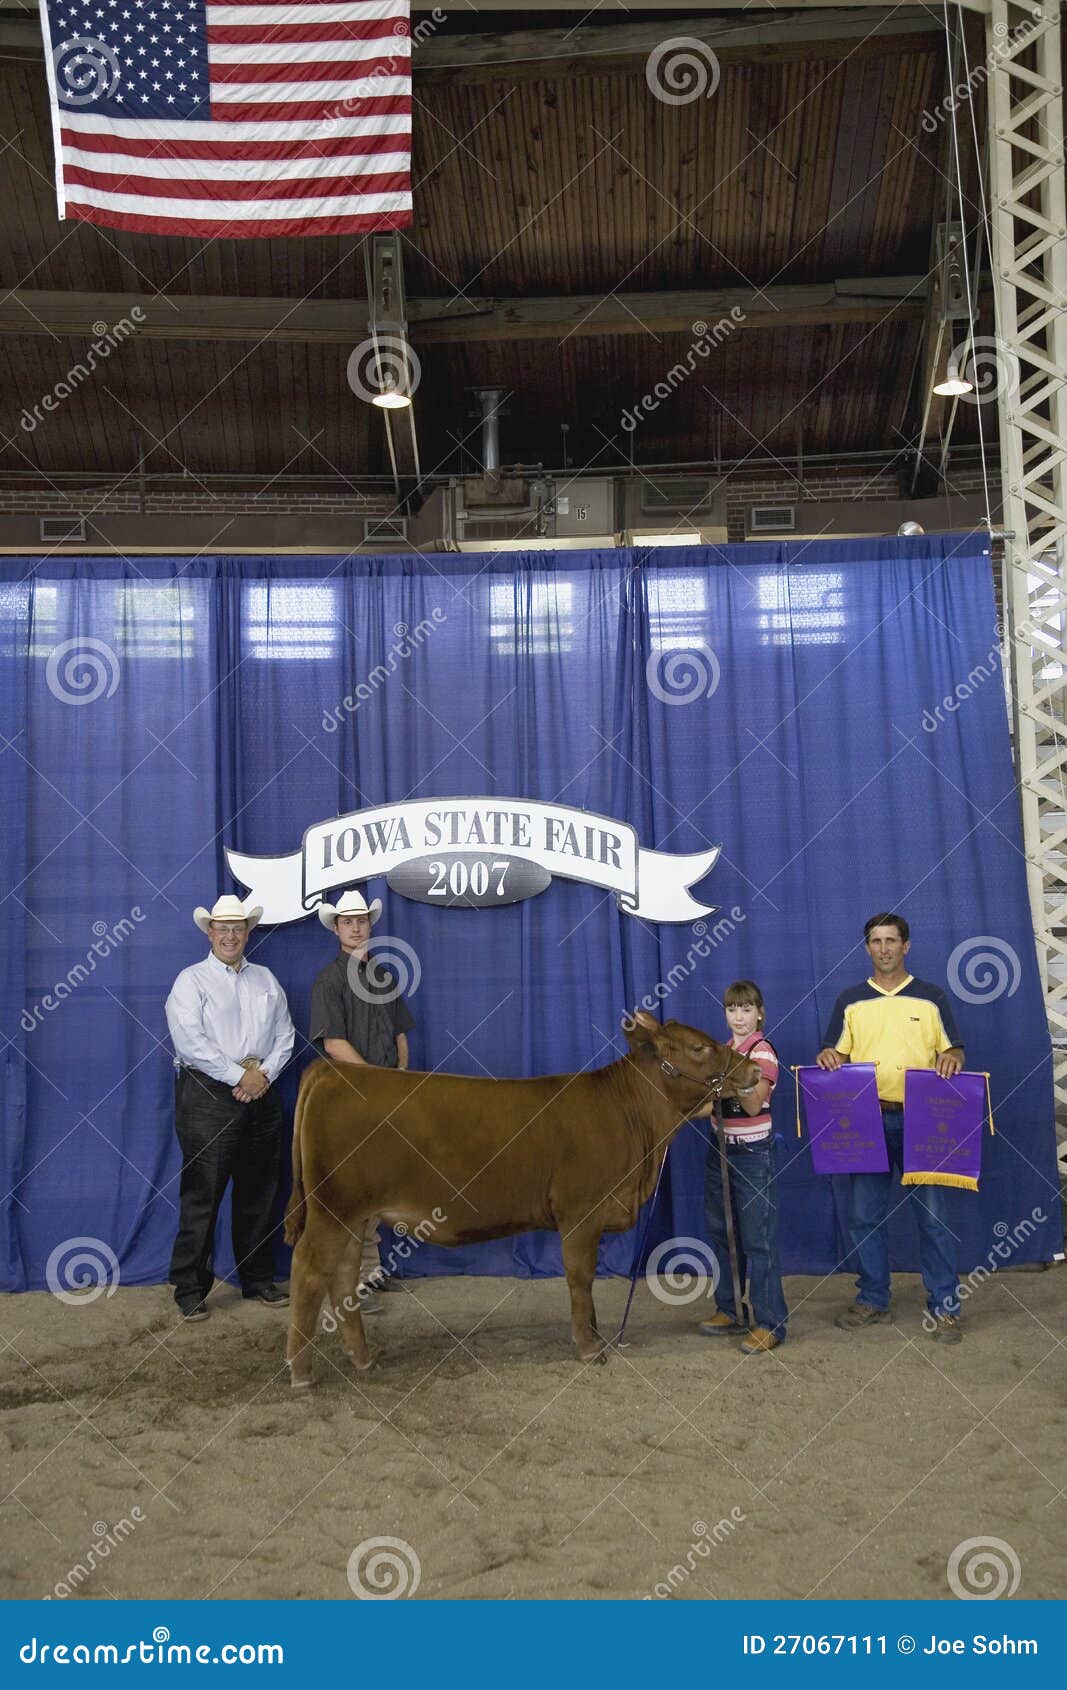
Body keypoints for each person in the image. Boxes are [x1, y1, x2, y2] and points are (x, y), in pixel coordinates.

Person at [817, 911, 965, 1343]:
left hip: (923, 1119)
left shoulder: (931, 997)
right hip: (867, 1120)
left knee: (934, 1218)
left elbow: (953, 1048)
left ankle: (944, 1307)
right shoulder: (850, 1000)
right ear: (866, 948)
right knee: (864, 1217)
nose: (884, 948)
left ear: (906, 946)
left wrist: (953, 1057)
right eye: (876, 941)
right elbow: (836, 1054)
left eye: (892, 940)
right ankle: (873, 1298)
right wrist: (831, 1059)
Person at [165, 894, 295, 1322]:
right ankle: (189, 1286)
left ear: (248, 932)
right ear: (210, 933)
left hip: (262, 1091)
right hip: (208, 1096)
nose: (230, 935)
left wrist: (264, 1076)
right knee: (203, 1194)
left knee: (260, 1191)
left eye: (238, 928)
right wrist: (239, 1077)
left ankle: (256, 1278)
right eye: (223, 929)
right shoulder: (191, 981)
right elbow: (190, 1042)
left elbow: (286, 1035)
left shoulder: (266, 979)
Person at [310, 889, 415, 1302]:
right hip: (353, 1100)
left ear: (370, 925)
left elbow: (400, 1033)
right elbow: (334, 1044)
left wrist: (401, 1076)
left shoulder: (385, 976)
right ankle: (351, 1279)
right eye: (347, 921)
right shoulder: (328, 981)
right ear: (336, 928)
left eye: (361, 920)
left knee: (379, 1187)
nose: (355, 927)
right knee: (354, 1190)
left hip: (387, 1095)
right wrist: (377, 1084)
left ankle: (369, 1270)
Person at [698, 980, 788, 1355]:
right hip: (719, 1151)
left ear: (760, 1013)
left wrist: (724, 1087)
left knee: (757, 1238)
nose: (739, 1017)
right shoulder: (721, 1054)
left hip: (753, 1154)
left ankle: (770, 1323)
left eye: (747, 1009)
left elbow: (753, 1105)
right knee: (724, 1234)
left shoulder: (763, 1053)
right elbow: (704, 1107)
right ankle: (730, 1309)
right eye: (733, 1009)